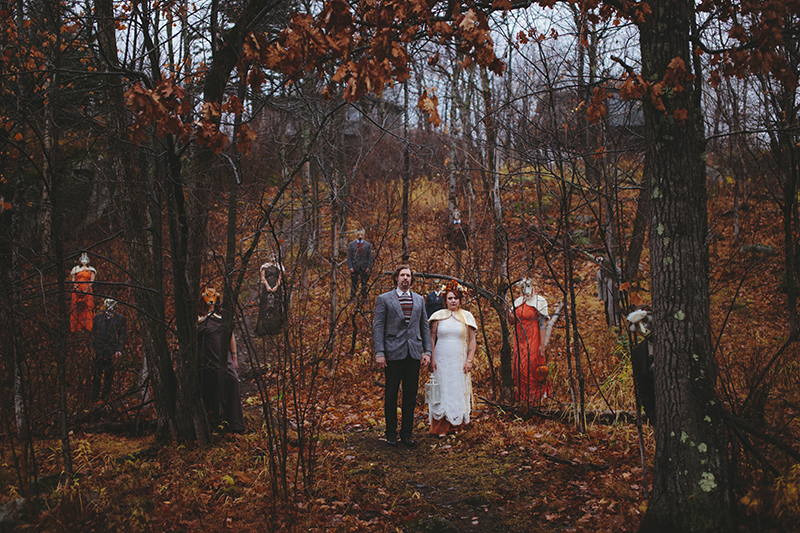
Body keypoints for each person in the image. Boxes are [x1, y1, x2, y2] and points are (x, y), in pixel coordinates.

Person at [373, 265, 432, 447]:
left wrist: (427, 352)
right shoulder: (384, 299)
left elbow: (424, 327)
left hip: (413, 353)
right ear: (396, 278)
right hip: (392, 353)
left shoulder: (419, 300)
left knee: (410, 395)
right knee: (391, 394)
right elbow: (378, 327)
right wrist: (380, 353)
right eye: (402, 275)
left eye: (408, 275)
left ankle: (406, 433)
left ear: (411, 279)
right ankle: (391, 433)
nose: (405, 278)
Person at [427, 280, 477, 437]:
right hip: (441, 358)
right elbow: (432, 338)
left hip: (458, 359)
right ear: (444, 300)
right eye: (449, 298)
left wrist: (469, 359)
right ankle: (439, 427)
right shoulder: (438, 316)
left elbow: (472, 339)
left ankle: (455, 425)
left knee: (456, 389)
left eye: (455, 298)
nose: (453, 301)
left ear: (460, 300)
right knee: (442, 389)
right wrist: (431, 358)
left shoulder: (467, 317)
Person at [197, 287, 246, 433]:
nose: (211, 300)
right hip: (205, 359)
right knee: (208, 388)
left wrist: (234, 356)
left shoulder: (222, 317)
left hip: (223, 358)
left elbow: (230, 337)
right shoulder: (198, 319)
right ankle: (212, 423)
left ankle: (235, 423)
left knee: (232, 381)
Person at [507, 277, 550, 405]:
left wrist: (542, 345)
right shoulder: (518, 302)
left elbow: (542, 324)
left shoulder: (539, 301)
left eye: (529, 287)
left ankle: (536, 395)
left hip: (533, 337)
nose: (526, 290)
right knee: (518, 365)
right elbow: (512, 321)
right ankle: (522, 395)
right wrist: (507, 306)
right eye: (523, 287)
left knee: (531, 365)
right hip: (519, 337)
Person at [91, 298, 127, 401]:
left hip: (111, 352)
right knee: (96, 376)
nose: (110, 306)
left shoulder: (120, 319)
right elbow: (93, 334)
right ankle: (94, 398)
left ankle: (105, 398)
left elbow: (123, 336)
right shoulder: (98, 318)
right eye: (108, 304)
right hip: (98, 351)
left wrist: (119, 350)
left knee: (108, 377)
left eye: (112, 304)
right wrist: (92, 349)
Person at [626, 306, 656, 423]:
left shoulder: (670, 343)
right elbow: (643, 385)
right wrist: (651, 413)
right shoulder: (639, 352)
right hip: (658, 409)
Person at [256, 254, 285, 335]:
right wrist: (267, 286)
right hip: (266, 289)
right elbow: (262, 277)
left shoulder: (279, 266)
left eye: (274, 257)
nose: (273, 259)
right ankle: (263, 329)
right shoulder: (265, 266)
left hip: (277, 289)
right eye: (271, 257)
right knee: (265, 306)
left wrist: (276, 286)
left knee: (275, 306)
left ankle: (275, 328)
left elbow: (280, 277)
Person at [70, 252, 97, 332]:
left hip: (87, 290)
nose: (84, 261)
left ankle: (88, 327)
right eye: (82, 259)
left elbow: (92, 281)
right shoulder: (76, 269)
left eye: (86, 259)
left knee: (88, 307)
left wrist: (86, 290)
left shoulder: (91, 269)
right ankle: (76, 328)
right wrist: (76, 288)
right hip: (77, 290)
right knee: (76, 307)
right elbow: (73, 280)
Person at [347, 229, 373, 303]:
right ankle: (352, 299)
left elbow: (370, 257)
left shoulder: (367, 245)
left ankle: (364, 299)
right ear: (356, 235)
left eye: (361, 234)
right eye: (358, 234)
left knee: (364, 284)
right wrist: (350, 267)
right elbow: (349, 257)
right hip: (354, 267)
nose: (360, 236)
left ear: (364, 235)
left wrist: (369, 267)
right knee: (354, 284)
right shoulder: (351, 244)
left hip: (364, 268)